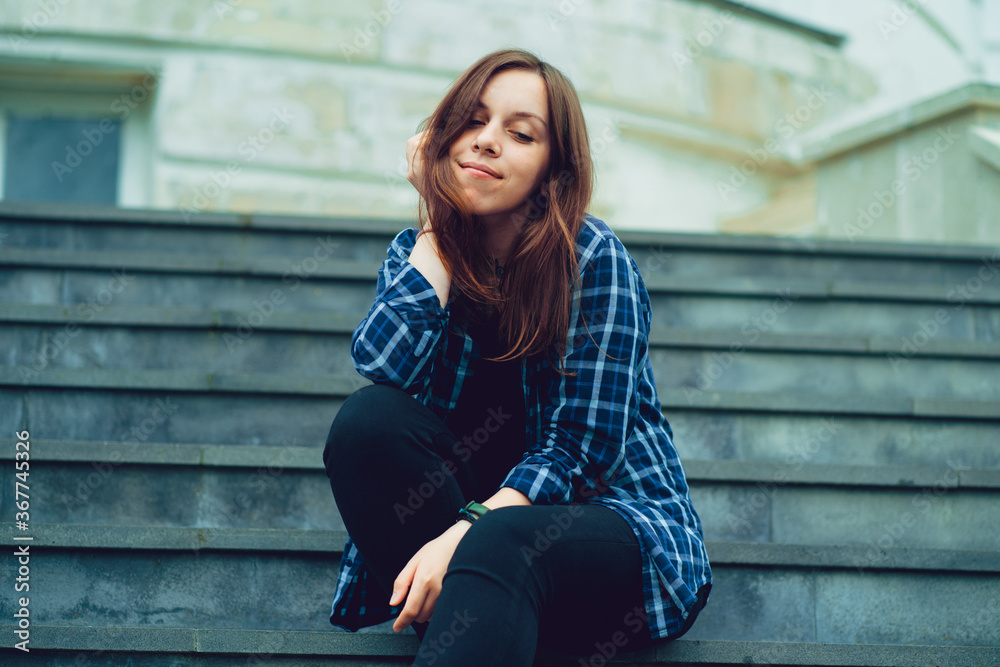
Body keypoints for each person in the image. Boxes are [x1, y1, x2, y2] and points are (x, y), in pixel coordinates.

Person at [322, 48, 711, 666]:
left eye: (521, 133)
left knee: (499, 540)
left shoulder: (592, 259)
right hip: (485, 547)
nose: (487, 141)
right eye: (472, 122)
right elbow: (382, 365)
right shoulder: (420, 254)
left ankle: (486, 619)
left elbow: (582, 450)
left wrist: (466, 531)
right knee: (367, 425)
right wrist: (440, 226)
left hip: (604, 533)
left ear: (553, 169)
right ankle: (490, 626)